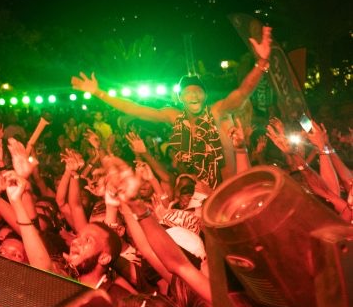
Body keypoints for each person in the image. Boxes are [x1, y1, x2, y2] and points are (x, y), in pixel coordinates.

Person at [71, 26, 272, 188]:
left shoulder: (217, 112)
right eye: (188, 92)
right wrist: (98, 92)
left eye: (198, 91)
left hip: (239, 186)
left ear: (205, 95)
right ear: (180, 97)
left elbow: (242, 92)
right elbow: (134, 109)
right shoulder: (174, 116)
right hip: (209, 195)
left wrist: (262, 62)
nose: (193, 95)